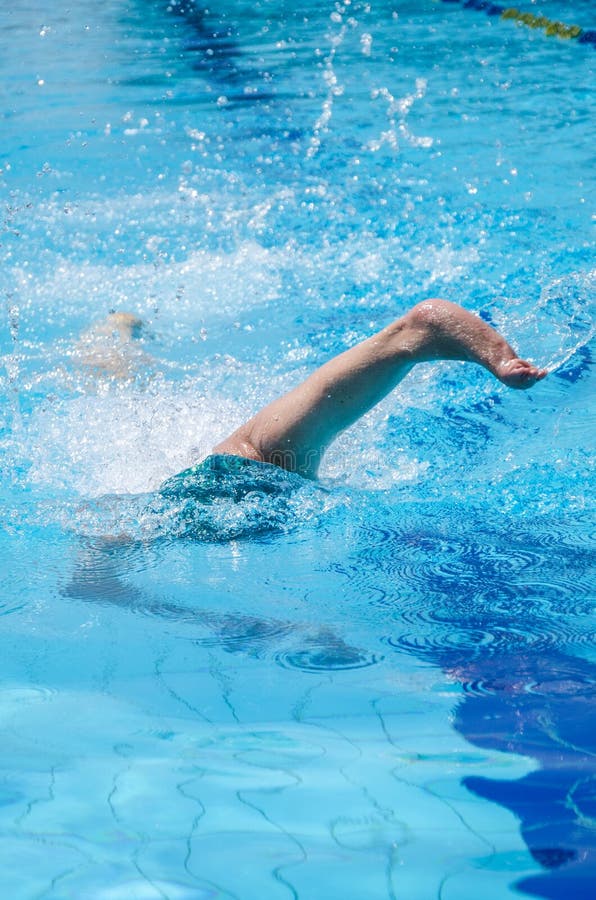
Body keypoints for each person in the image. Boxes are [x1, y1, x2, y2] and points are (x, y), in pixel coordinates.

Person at [81, 300, 547, 484]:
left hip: (247, 466)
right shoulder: (265, 465)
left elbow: (422, 325)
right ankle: (113, 333)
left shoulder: (262, 457)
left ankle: (113, 335)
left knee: (127, 390)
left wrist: (499, 358)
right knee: (122, 388)